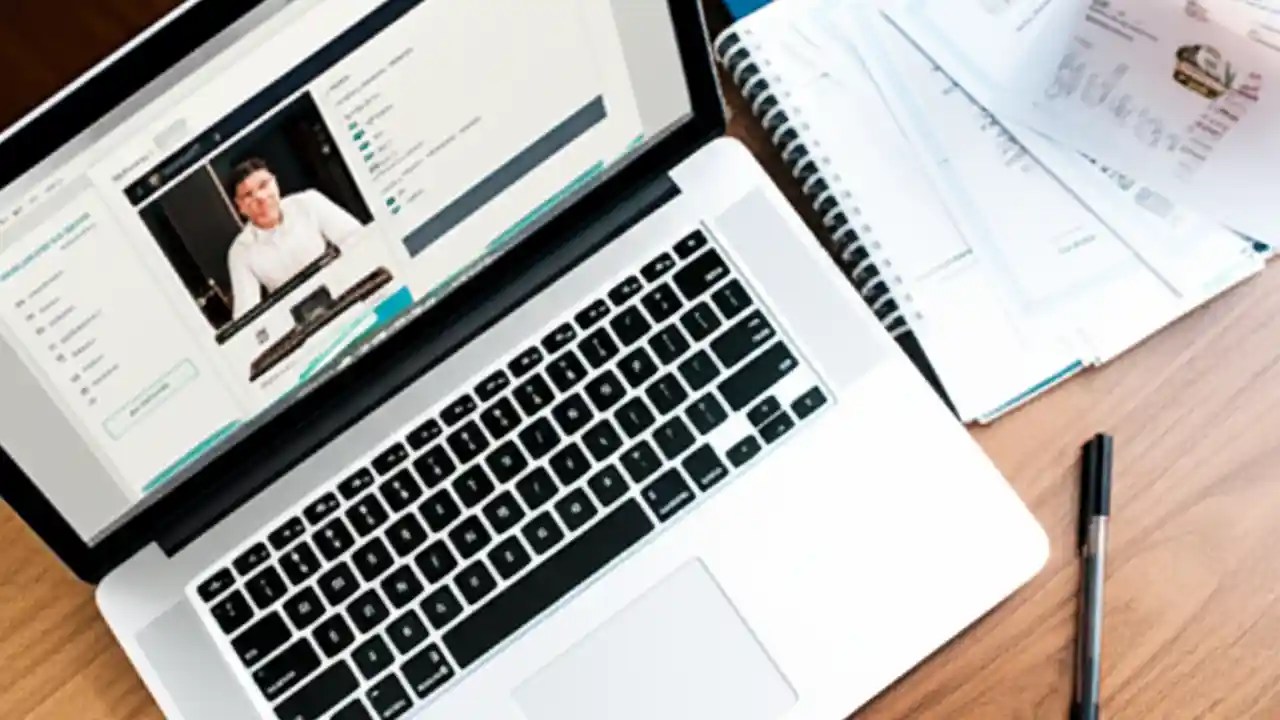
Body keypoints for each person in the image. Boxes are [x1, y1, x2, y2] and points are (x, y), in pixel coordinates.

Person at [225, 158, 364, 318]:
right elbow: (246, 312)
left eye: (263, 185)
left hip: (344, 293)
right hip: (297, 320)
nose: (260, 197)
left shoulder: (309, 202)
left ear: (275, 183)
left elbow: (358, 239)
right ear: (240, 206)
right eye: (248, 195)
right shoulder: (240, 251)